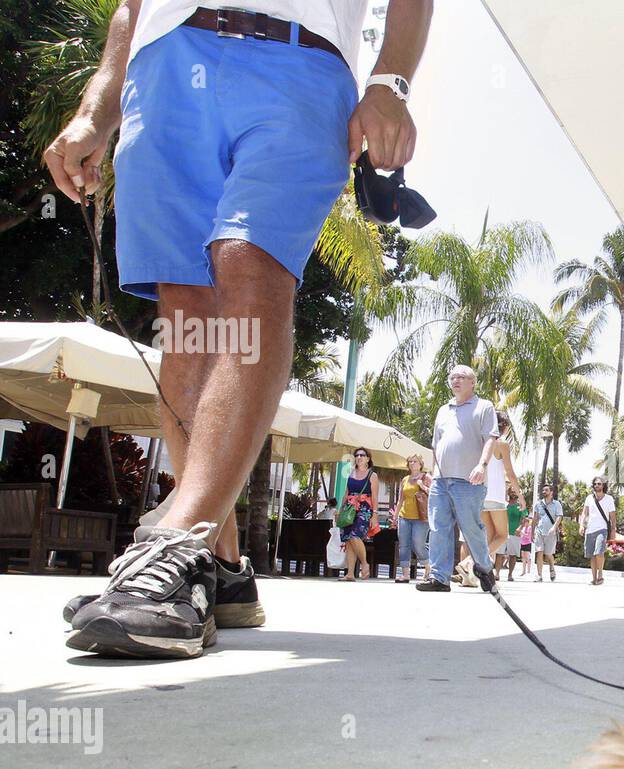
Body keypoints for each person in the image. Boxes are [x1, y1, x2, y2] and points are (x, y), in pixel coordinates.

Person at [53, 0, 433, 658]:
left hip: (301, 58)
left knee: (250, 262)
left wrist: (389, 81)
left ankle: (179, 538)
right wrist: (96, 107)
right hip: (165, 60)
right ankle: (219, 565)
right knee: (188, 310)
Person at [417, 365, 498, 593]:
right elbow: (436, 445)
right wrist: (434, 473)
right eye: (453, 377)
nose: (456, 380)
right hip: (441, 481)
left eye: (461, 377)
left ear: (473, 382)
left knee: (471, 528)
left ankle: (484, 568)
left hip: (469, 481)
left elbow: (490, 438)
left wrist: (482, 465)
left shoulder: (484, 407)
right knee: (438, 527)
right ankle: (439, 578)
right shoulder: (443, 410)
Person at [481, 412, 523, 568]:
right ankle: (469, 563)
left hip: (480, 495)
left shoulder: (482, 442)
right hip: (495, 497)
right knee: (503, 535)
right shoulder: (502, 444)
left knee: (491, 537)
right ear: (505, 427)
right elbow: (510, 473)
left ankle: (478, 573)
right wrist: (520, 496)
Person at [340, 448, 379, 581]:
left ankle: (364, 563)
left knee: (355, 536)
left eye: (362, 455)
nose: (359, 457)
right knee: (349, 540)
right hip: (349, 508)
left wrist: (375, 515)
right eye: (357, 455)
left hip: (364, 509)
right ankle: (350, 573)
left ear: (368, 458)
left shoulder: (372, 475)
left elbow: (375, 497)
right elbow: (346, 493)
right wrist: (340, 510)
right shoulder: (351, 473)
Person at [394, 453, 432, 583]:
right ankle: (405, 575)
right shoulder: (405, 479)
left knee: (418, 545)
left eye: (415, 461)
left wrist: (423, 486)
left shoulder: (426, 477)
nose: (412, 463)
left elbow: (435, 493)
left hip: (421, 518)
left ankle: (428, 567)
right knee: (403, 545)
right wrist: (395, 516)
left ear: (420, 464)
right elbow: (401, 499)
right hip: (404, 516)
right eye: (410, 461)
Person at [579, 476, 617, 585]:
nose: (597, 485)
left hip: (602, 529)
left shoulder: (609, 499)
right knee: (592, 555)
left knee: (599, 552)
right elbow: (585, 513)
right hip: (590, 529)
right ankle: (594, 578)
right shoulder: (589, 498)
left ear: (603, 485)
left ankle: (600, 574)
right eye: (595, 484)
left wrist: (613, 530)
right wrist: (581, 525)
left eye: (599, 484)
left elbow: (612, 516)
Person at [532, 483, 564, 582]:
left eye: (546, 490)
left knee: (549, 554)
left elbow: (559, 517)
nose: (544, 492)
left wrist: (554, 527)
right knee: (539, 552)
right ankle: (539, 575)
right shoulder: (538, 504)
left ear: (551, 492)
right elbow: (535, 518)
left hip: (551, 533)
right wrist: (532, 532)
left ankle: (552, 567)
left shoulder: (557, 504)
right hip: (539, 531)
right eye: (543, 490)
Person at [501, 488, 525, 581]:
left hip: (514, 533)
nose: (513, 493)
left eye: (515, 491)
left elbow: (524, 519)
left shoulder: (520, 505)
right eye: (511, 491)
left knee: (513, 555)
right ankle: (497, 574)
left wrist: (520, 528)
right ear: (508, 493)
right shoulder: (504, 505)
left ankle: (510, 575)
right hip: (503, 532)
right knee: (499, 554)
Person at [518, 515, 534, 579]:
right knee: (523, 557)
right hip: (522, 543)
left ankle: (529, 571)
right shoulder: (523, 528)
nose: (525, 523)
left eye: (526, 522)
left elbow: (528, 536)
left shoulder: (530, 528)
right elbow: (520, 535)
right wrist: (520, 534)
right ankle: (523, 571)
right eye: (524, 522)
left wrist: (523, 534)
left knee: (527, 557)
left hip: (528, 543)